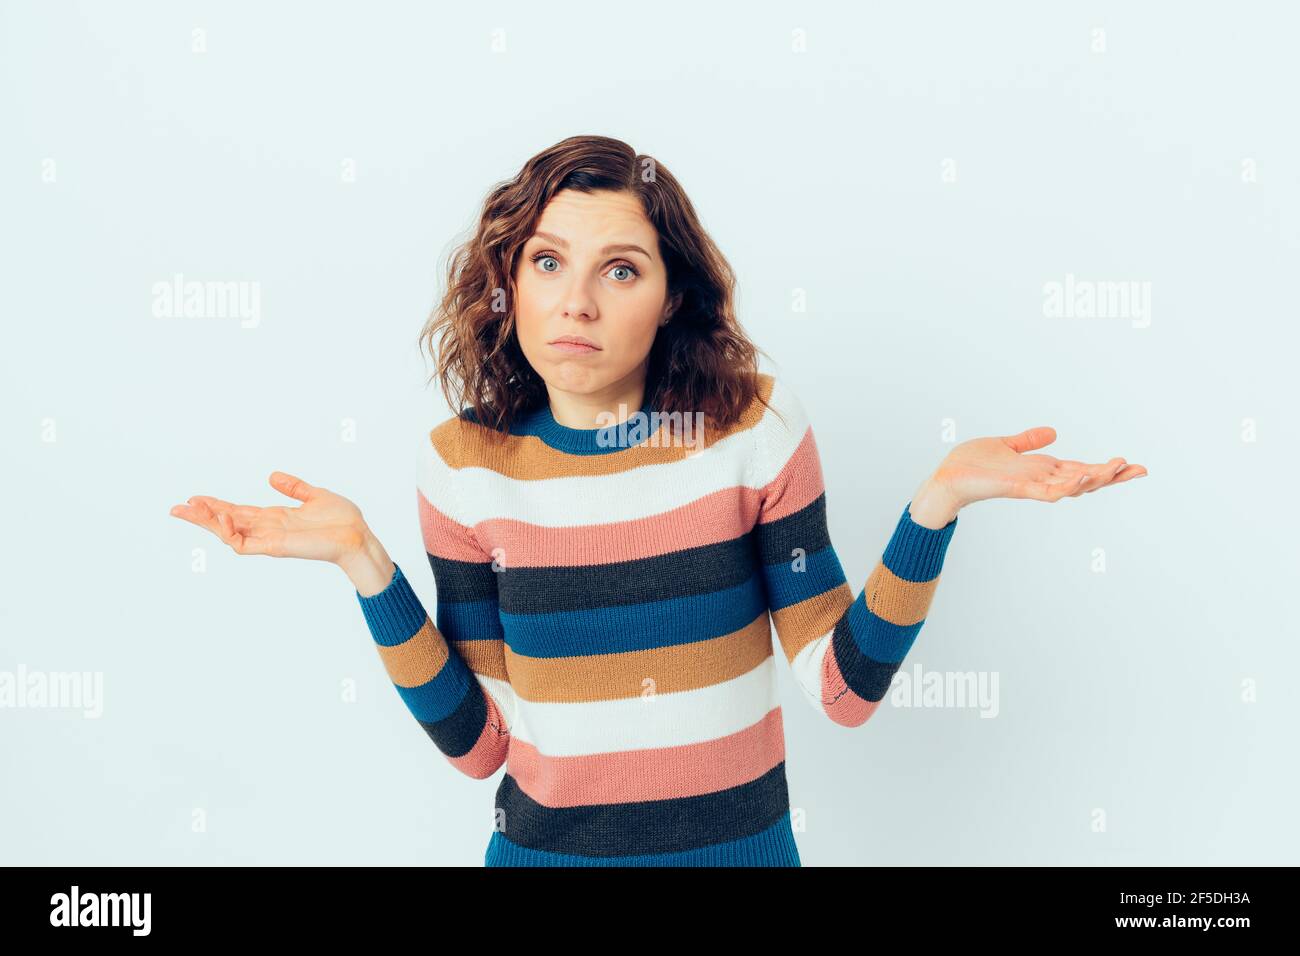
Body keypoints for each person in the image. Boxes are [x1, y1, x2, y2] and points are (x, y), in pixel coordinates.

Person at [169, 135, 1146, 866]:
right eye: (546, 261)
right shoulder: (462, 463)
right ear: (509, 281)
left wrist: (934, 506)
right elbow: (480, 746)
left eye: (620, 269)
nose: (577, 301)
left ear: (671, 293)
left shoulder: (752, 429)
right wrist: (364, 563)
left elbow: (842, 689)